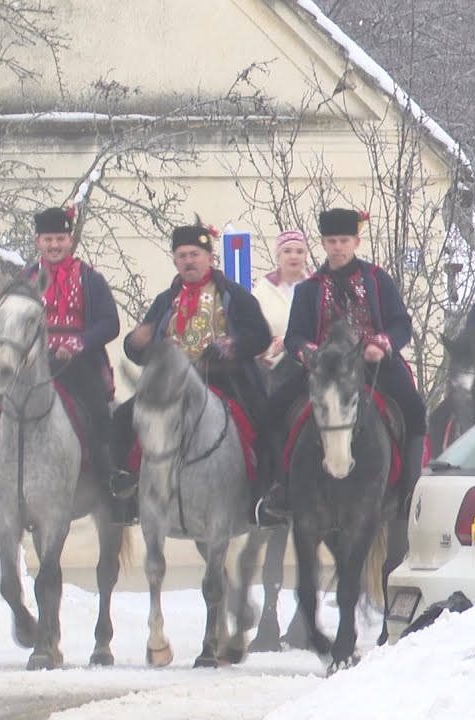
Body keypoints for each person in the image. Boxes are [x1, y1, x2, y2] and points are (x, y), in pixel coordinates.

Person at [256, 208, 427, 523]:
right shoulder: (310, 288)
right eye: (332, 240)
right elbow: (295, 336)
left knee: (414, 408)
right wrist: (310, 354)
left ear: (356, 242)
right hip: (324, 371)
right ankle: (281, 487)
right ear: (323, 243)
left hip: (374, 365)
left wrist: (381, 344)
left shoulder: (378, 280)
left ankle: (410, 489)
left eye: (344, 240)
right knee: (275, 407)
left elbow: (401, 323)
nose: (338, 247)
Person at [112, 219, 272, 525]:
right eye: (182, 255)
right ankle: (127, 490)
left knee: (265, 419)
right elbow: (136, 350)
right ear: (175, 260)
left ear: (209, 258)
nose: (189, 261)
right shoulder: (164, 300)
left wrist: (232, 344)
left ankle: (262, 496)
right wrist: (135, 342)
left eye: (195, 254)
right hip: (170, 383)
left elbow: (260, 335)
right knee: (123, 418)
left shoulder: (234, 295)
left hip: (224, 379)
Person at [17, 206, 123, 510]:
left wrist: (77, 343)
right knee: (2, 409)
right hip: (34, 364)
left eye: (60, 239)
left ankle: (108, 477)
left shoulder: (90, 278)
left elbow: (109, 322)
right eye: (48, 239)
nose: (54, 245)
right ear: (38, 241)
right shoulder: (25, 280)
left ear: (70, 241)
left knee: (100, 413)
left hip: (79, 364)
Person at [254, 230, 311, 373]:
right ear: (278, 256)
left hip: (307, 366)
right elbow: (252, 326)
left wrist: (287, 342)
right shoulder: (263, 288)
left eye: (299, 252)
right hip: (269, 368)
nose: (294, 256)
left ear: (305, 256)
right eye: (287, 251)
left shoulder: (315, 287)